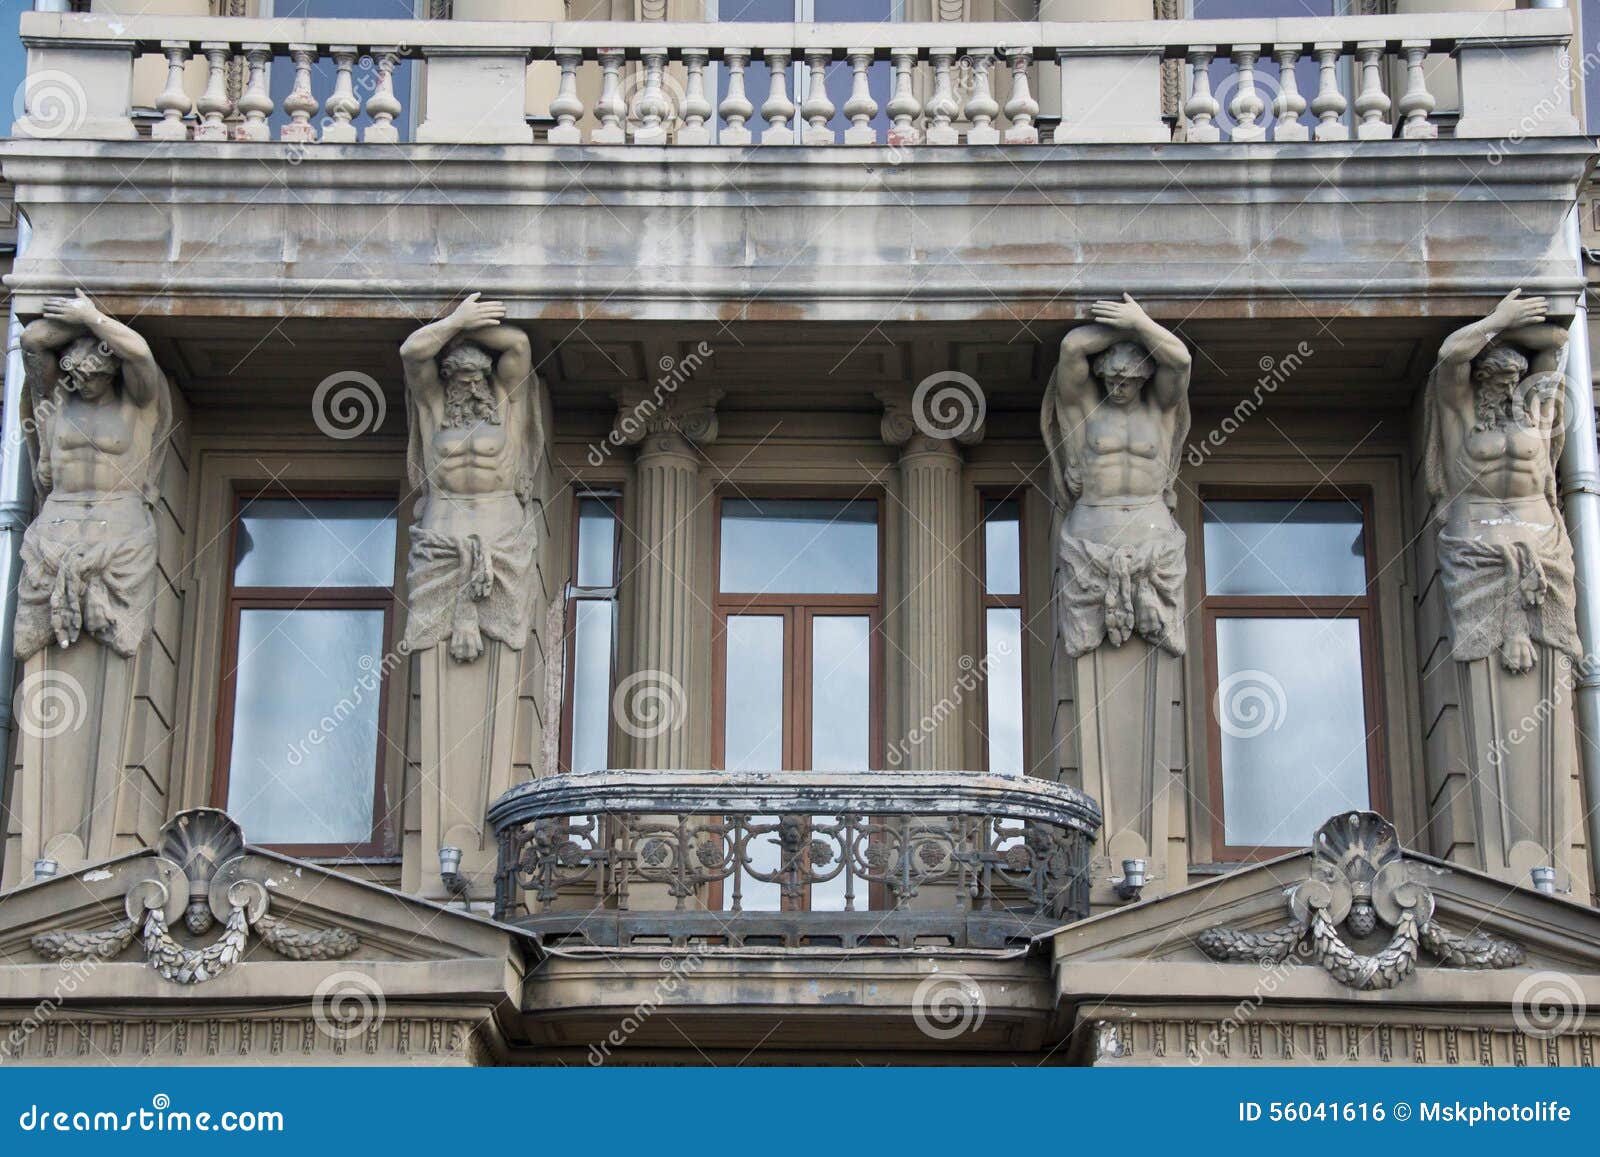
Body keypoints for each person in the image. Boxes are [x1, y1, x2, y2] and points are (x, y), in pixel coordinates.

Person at [1042, 294, 1192, 657]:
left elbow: (1181, 361)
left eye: (1126, 380)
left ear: (1143, 378)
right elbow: (1071, 348)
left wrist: (1140, 324)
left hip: (1153, 531)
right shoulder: (1086, 410)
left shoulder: (1160, 410)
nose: (1117, 388)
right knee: (1079, 644)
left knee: (1168, 644)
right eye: (1111, 379)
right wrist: (1121, 330)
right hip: (1091, 528)